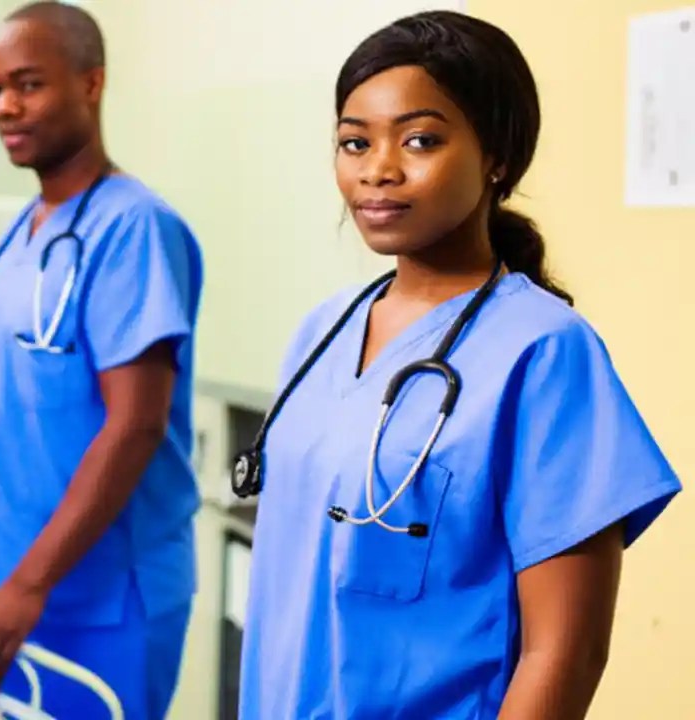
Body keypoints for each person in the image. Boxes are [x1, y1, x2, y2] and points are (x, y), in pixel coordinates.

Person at [235, 11, 682, 719]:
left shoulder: (545, 352)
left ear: (496, 155)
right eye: (355, 143)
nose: (378, 169)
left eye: (420, 140)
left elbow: (563, 653)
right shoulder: (323, 331)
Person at [0, 3, 204, 719]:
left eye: (28, 84)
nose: (5, 106)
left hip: (99, 597)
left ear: (92, 84)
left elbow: (136, 425)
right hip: (11, 587)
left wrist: (28, 584)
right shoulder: (22, 236)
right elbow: (17, 414)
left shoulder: (134, 228)